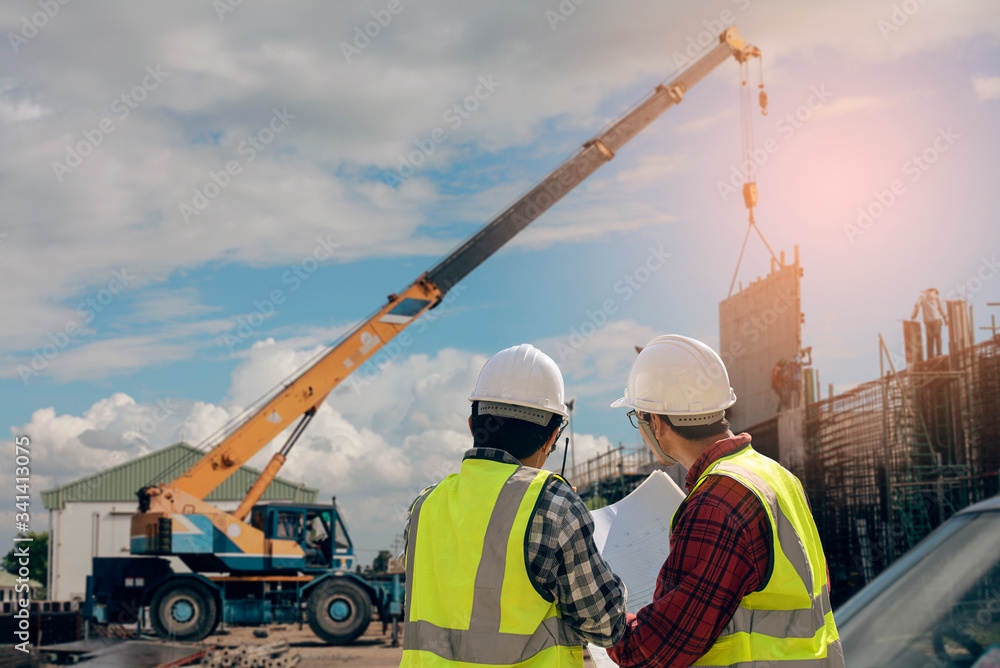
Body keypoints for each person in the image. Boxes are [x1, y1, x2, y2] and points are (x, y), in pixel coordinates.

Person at [608, 335, 843, 667]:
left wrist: (607, 616)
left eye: (638, 417)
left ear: (656, 422)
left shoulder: (717, 502)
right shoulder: (776, 475)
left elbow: (652, 652)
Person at [400, 344, 627, 666]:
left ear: (471, 424)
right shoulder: (554, 505)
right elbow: (606, 624)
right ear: (551, 438)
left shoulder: (423, 506)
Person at [911, 288, 949, 358]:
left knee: (929, 339)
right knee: (938, 338)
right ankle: (939, 354)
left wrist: (914, 315)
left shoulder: (922, 297)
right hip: (936, 320)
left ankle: (930, 356)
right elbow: (941, 308)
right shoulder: (937, 297)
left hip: (928, 321)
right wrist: (945, 318)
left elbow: (917, 305)